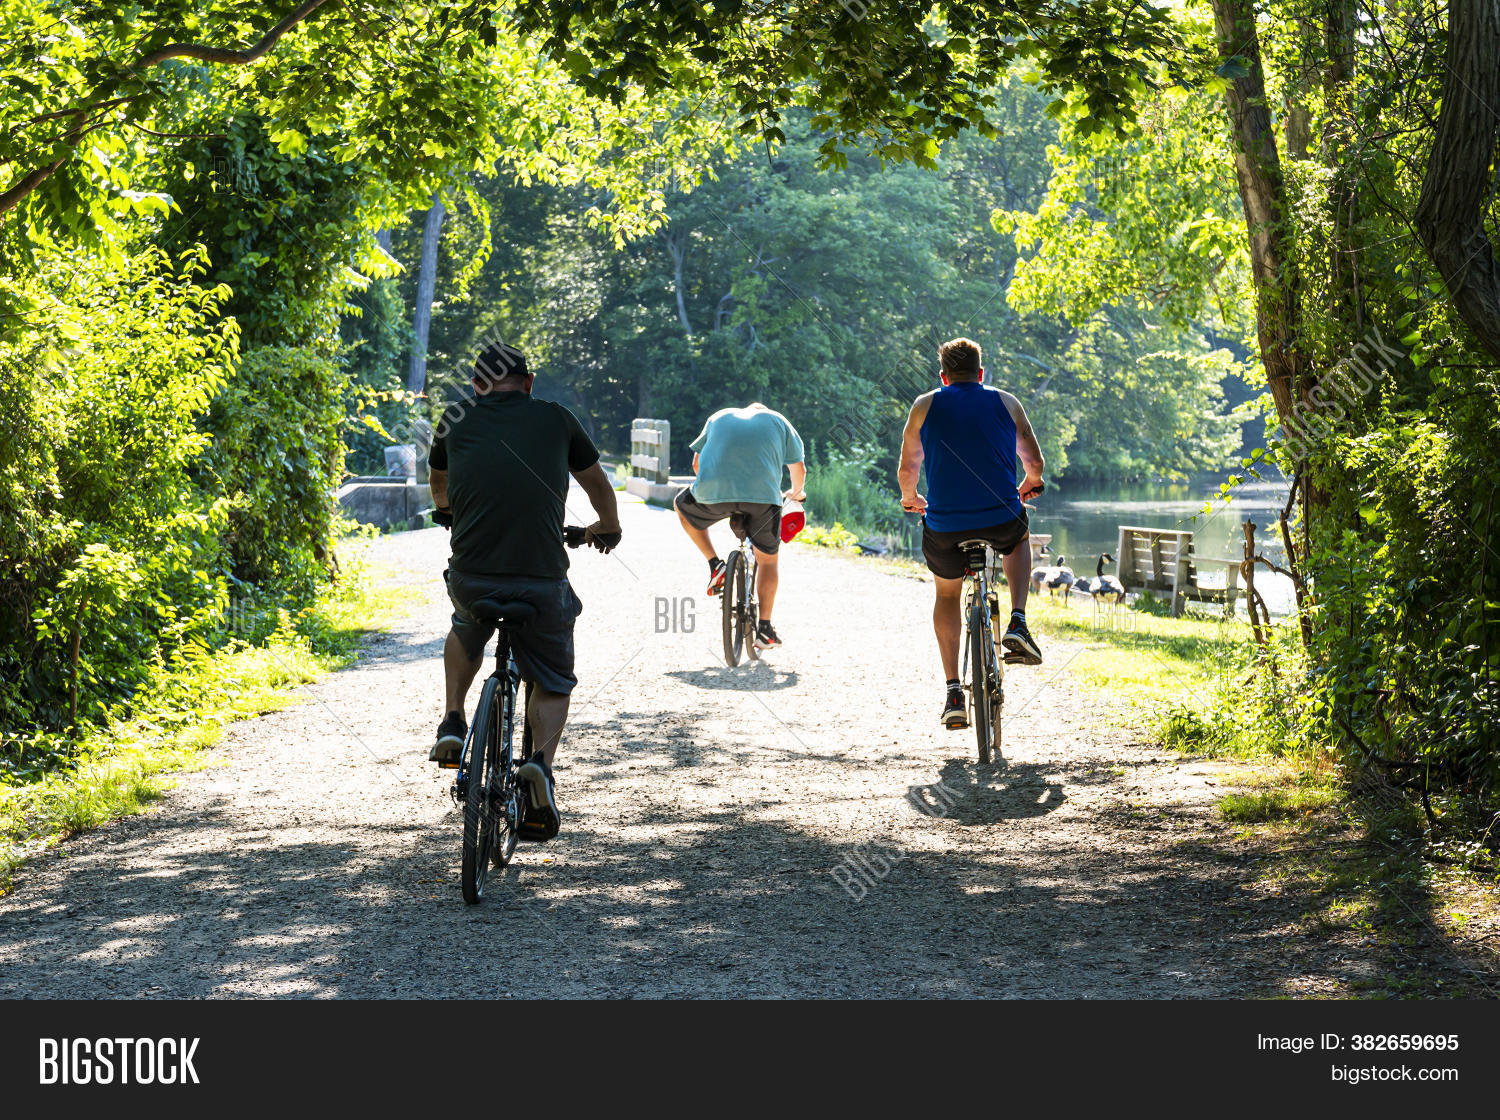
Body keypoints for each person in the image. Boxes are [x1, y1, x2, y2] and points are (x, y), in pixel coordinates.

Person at [427, 342, 621, 842]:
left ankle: (453, 719)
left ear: (476, 387)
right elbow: (596, 483)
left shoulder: (454, 420)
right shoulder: (556, 419)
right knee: (553, 677)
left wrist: (450, 511)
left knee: (467, 625)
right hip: (540, 582)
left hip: (475, 576)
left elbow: (439, 484)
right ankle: (539, 765)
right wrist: (607, 527)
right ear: (529, 382)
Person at [897, 337, 1046, 730]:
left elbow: (908, 469)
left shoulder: (924, 405)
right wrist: (1032, 481)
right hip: (1000, 516)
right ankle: (1017, 620)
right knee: (1017, 538)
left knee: (946, 594)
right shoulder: (1006, 402)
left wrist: (911, 499)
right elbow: (1033, 461)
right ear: (981, 373)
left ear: (944, 377)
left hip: (945, 524)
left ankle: (952, 693)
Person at [674, 402, 806, 649]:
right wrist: (797, 494)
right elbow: (798, 470)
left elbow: (696, 465)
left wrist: (716, 486)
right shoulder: (779, 421)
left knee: (681, 506)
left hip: (713, 494)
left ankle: (715, 564)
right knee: (767, 560)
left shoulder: (718, 416)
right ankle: (765, 629)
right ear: (763, 411)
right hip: (763, 500)